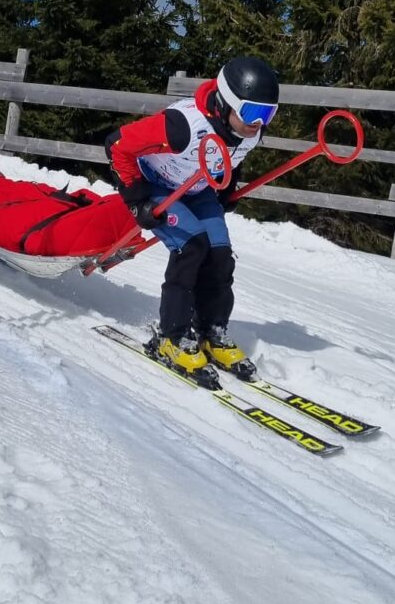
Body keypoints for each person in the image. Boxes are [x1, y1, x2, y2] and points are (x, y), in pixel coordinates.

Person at [106, 55, 280, 383]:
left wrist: (226, 188)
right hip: (155, 184)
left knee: (219, 255)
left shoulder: (250, 132)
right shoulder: (182, 125)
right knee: (192, 247)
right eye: (253, 112)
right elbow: (117, 146)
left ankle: (211, 331)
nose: (259, 122)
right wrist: (136, 200)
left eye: (268, 113)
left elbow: (233, 157)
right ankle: (172, 336)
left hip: (197, 188)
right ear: (226, 103)